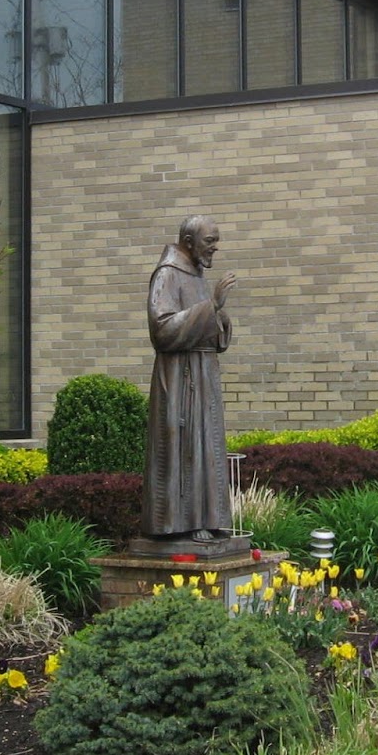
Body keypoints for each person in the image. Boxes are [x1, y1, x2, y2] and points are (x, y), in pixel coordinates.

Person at [142, 214, 237, 541]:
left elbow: (206, 327)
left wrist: (218, 316)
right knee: (186, 446)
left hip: (203, 375)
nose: (216, 247)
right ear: (188, 242)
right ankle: (180, 524)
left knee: (205, 445)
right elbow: (163, 329)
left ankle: (207, 519)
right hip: (180, 380)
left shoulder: (196, 273)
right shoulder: (168, 274)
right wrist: (210, 306)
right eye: (210, 241)